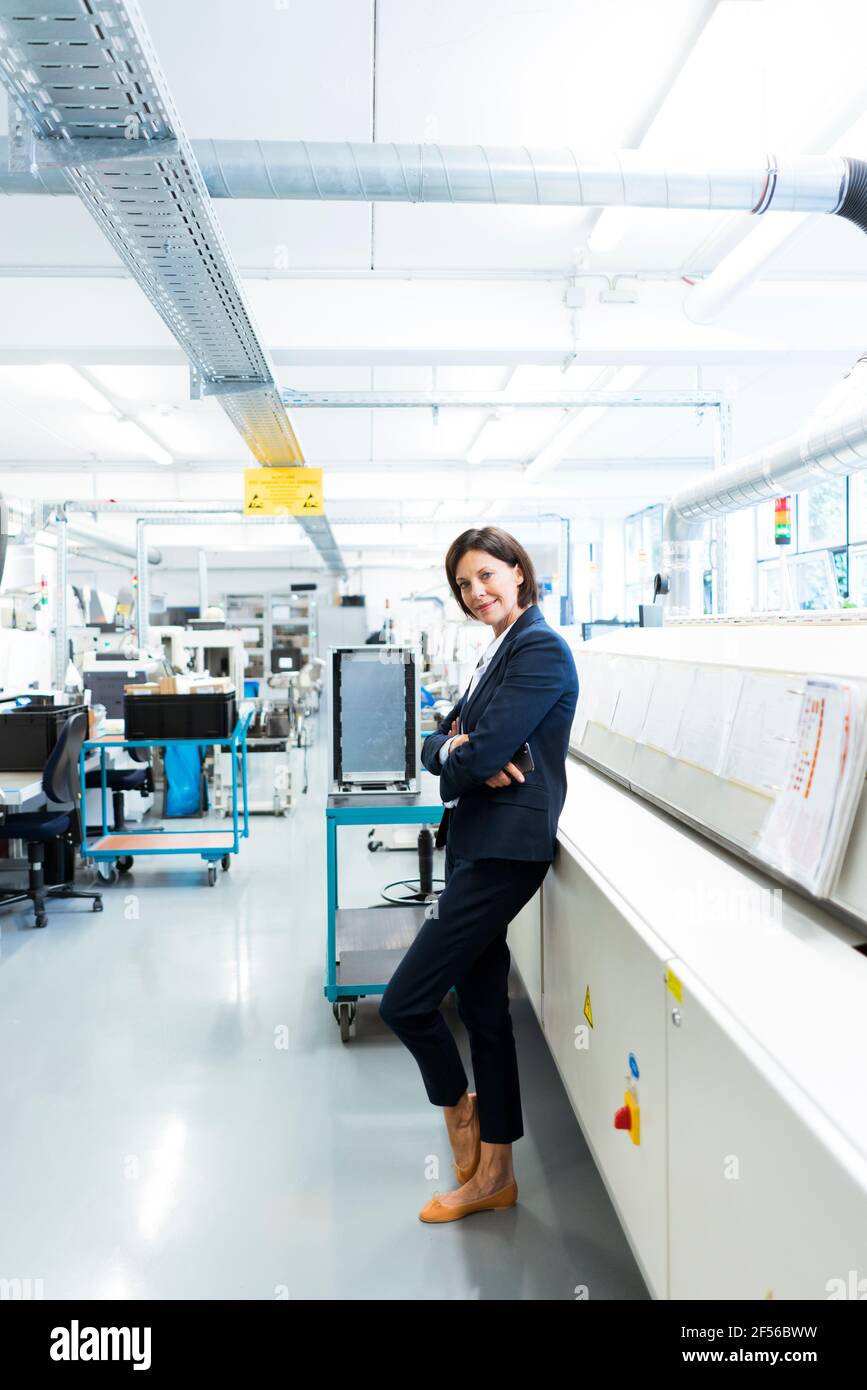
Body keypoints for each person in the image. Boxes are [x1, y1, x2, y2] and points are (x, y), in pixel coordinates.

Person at [379, 527, 579, 1223]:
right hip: (475, 839)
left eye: (487, 575)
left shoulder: (539, 649)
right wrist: (457, 749)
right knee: (484, 1010)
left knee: (405, 1001)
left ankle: (459, 1109)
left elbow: (481, 748)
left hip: (504, 853)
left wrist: (467, 751)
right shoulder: (497, 650)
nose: (476, 592)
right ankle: (496, 1175)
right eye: (464, 583)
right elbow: (440, 739)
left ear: (519, 572)